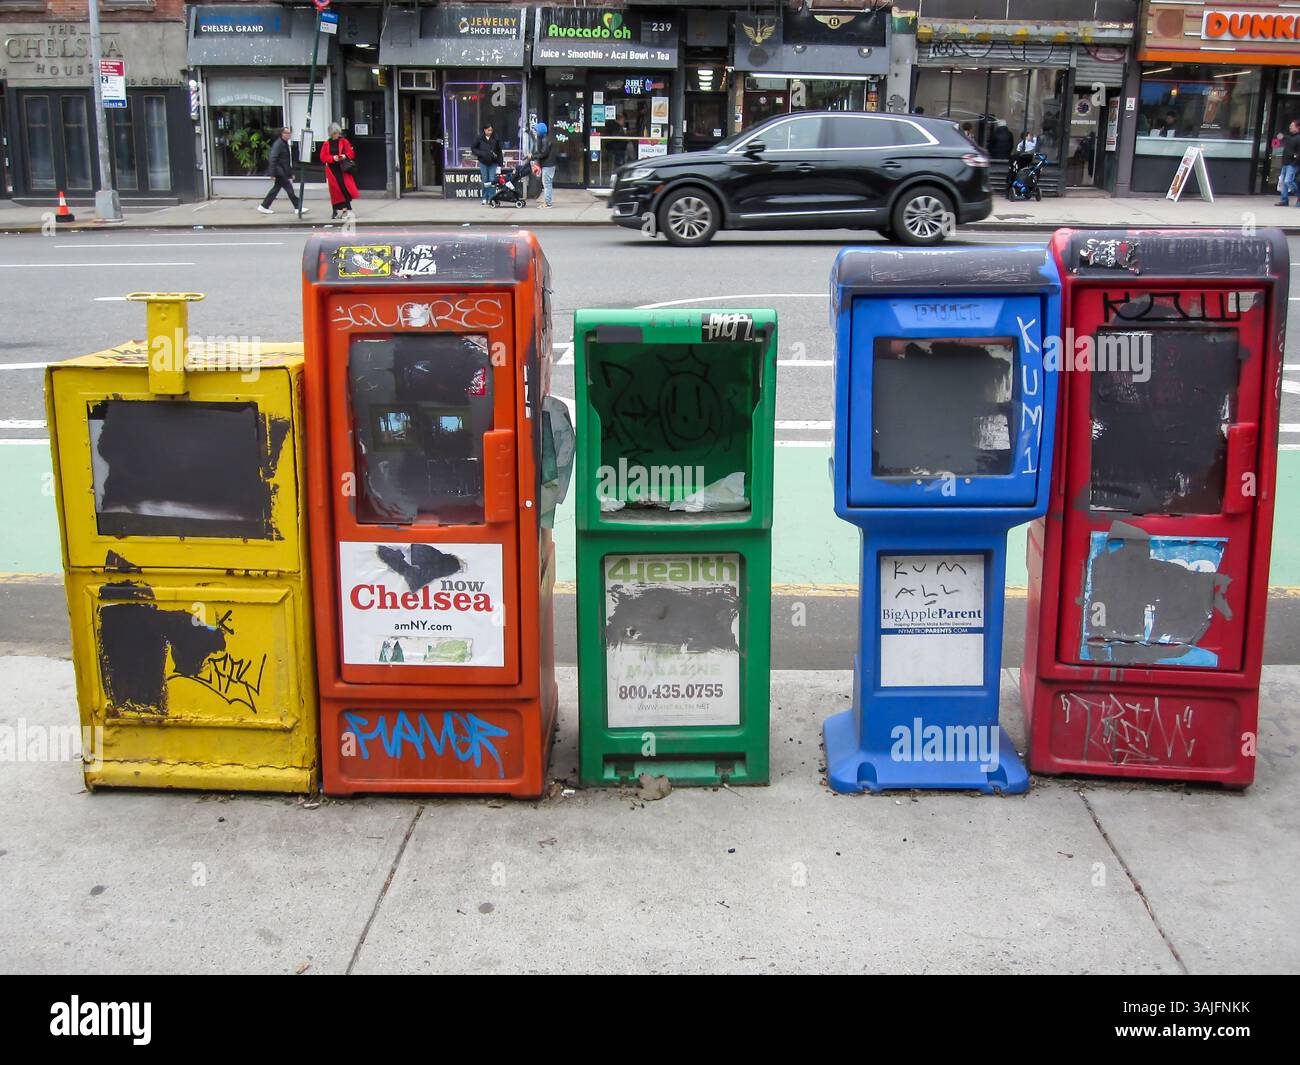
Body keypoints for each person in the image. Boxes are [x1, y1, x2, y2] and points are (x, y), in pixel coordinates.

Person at [257, 127, 308, 216]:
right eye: (287, 133)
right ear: (282, 134)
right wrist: (272, 173)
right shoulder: (279, 144)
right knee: (289, 189)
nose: (289, 135)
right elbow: (273, 158)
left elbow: (285, 161)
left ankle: (264, 206)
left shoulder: (283, 143)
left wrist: (290, 173)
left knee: (276, 189)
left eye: (289, 133)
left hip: (282, 171)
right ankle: (297, 207)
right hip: (279, 171)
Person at [319, 123, 359, 220]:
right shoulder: (326, 144)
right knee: (334, 191)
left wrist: (344, 156)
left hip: (342, 168)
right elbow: (323, 157)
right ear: (331, 134)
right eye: (335, 133)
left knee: (343, 188)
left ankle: (345, 210)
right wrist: (333, 158)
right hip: (332, 170)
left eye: (338, 133)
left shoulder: (344, 141)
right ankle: (335, 210)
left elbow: (351, 153)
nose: (337, 135)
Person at [471, 123, 504, 206]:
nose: (490, 132)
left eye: (491, 130)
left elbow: (499, 151)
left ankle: (491, 197)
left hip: (493, 162)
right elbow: (473, 148)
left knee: (492, 179)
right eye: (488, 130)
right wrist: (481, 153)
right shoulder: (480, 138)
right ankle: (484, 197)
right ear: (484, 130)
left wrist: (500, 163)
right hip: (483, 162)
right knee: (485, 179)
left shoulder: (496, 138)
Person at [1277, 119, 1300, 206]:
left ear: (1297, 127)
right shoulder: (1290, 137)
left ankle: (1299, 195)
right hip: (1286, 163)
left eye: (1292, 125)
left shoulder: (1298, 138)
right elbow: (1281, 137)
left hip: (1292, 164)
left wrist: (1295, 162)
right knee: (1284, 183)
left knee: (1288, 181)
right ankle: (1284, 200)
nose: (1290, 127)